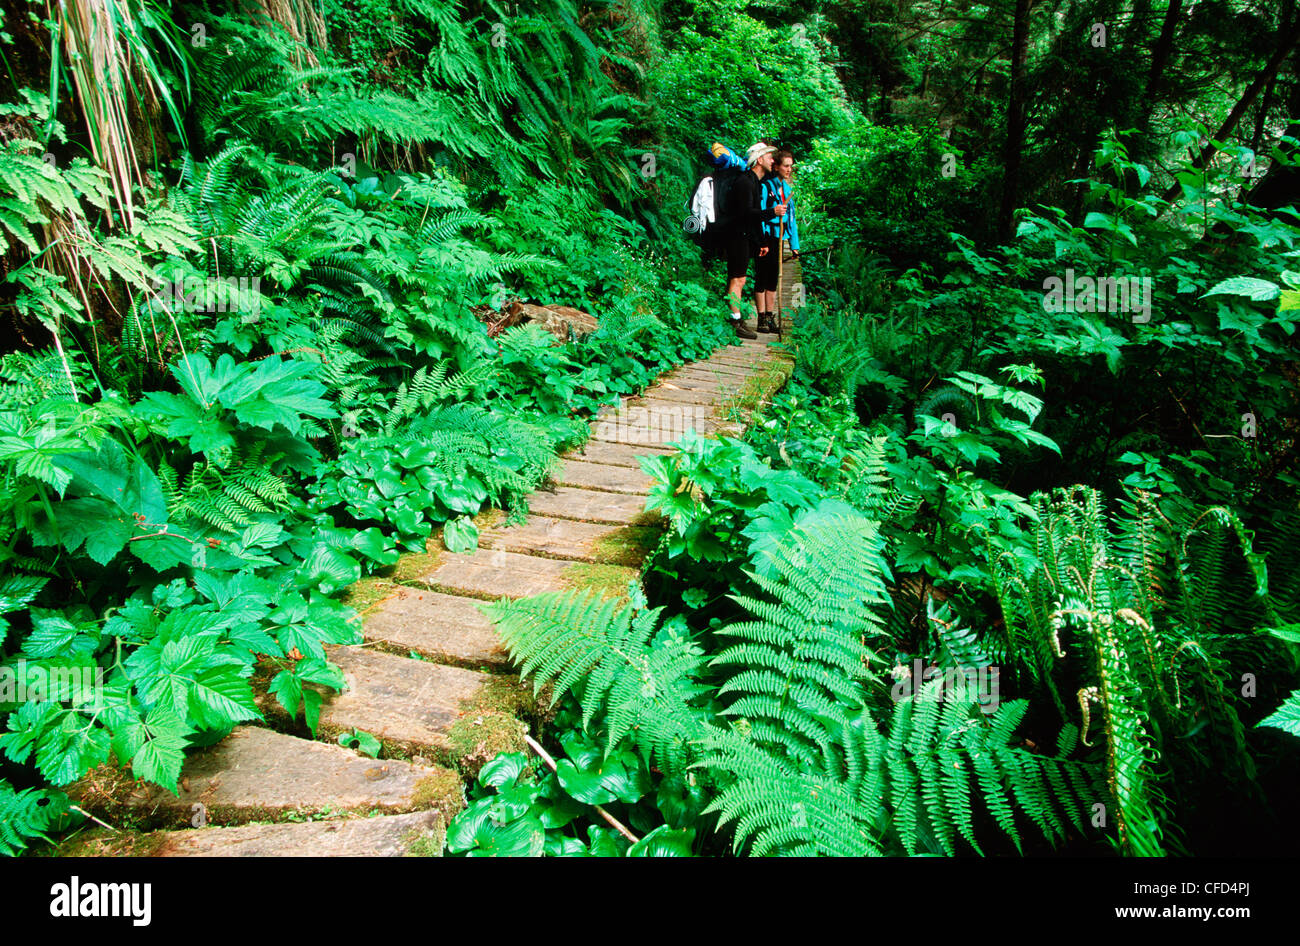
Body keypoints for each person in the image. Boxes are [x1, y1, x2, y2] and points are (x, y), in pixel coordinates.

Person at [722, 142, 786, 338]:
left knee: (739, 278)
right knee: (737, 278)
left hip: (743, 237)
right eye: (768, 157)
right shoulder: (744, 182)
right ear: (759, 159)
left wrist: (761, 243)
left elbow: (753, 216)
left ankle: (736, 318)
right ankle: (735, 321)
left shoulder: (754, 183)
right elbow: (746, 214)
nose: (772, 160)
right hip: (736, 236)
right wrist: (772, 212)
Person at [755, 149, 800, 333]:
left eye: (791, 166)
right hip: (765, 237)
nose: (789, 169)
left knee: (773, 276)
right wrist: (761, 239)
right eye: (786, 166)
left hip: (779, 238)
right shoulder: (766, 186)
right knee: (762, 275)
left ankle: (769, 315)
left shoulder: (786, 189)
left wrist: (795, 245)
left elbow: (792, 219)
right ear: (777, 166)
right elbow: (759, 213)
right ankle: (761, 318)